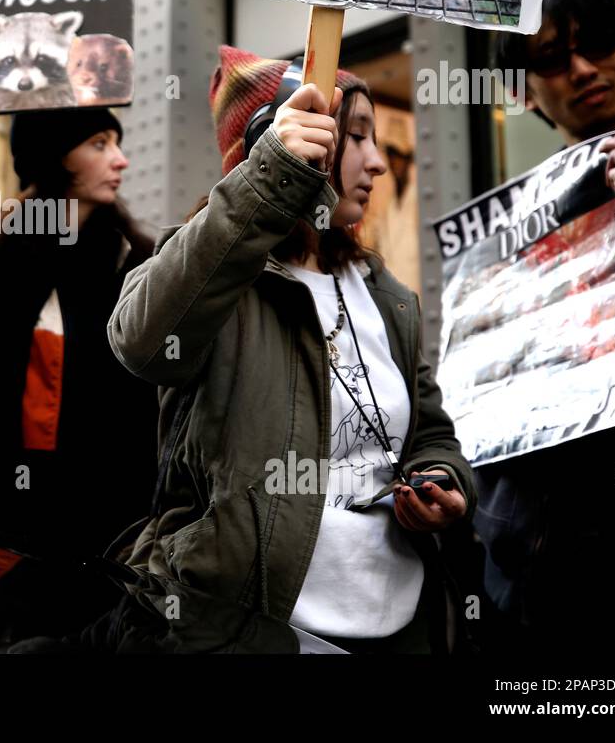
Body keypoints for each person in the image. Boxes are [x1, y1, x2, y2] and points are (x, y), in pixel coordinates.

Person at [105, 47, 476, 653]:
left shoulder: (388, 297)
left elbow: (432, 433)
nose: (378, 162)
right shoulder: (212, 279)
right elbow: (142, 345)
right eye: (355, 136)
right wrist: (268, 178)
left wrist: (443, 480)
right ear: (284, 140)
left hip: (407, 629)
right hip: (246, 634)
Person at [476, 0, 615, 653]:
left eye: (596, 47)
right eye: (554, 59)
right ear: (523, 93)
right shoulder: (514, 236)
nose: (583, 69)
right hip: (547, 566)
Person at [0, 108, 160, 568]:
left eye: (116, 142)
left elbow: (149, 418)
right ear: (53, 160)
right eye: (99, 144)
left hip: (103, 540)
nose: (122, 160)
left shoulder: (134, 266)